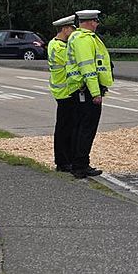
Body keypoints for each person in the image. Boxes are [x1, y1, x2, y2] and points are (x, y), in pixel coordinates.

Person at [65, 9, 112, 179]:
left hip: (80, 90)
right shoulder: (84, 40)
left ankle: (78, 163)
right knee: (86, 129)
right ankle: (80, 165)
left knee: (80, 127)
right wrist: (95, 92)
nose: (97, 23)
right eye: (96, 20)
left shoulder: (77, 37)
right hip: (86, 90)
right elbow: (88, 68)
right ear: (90, 22)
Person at [48, 14, 78, 172]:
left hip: (65, 92)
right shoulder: (58, 47)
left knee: (67, 128)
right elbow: (73, 62)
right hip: (65, 92)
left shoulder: (57, 44)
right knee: (64, 129)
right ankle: (62, 161)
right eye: (72, 28)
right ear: (65, 29)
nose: (74, 31)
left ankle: (67, 159)